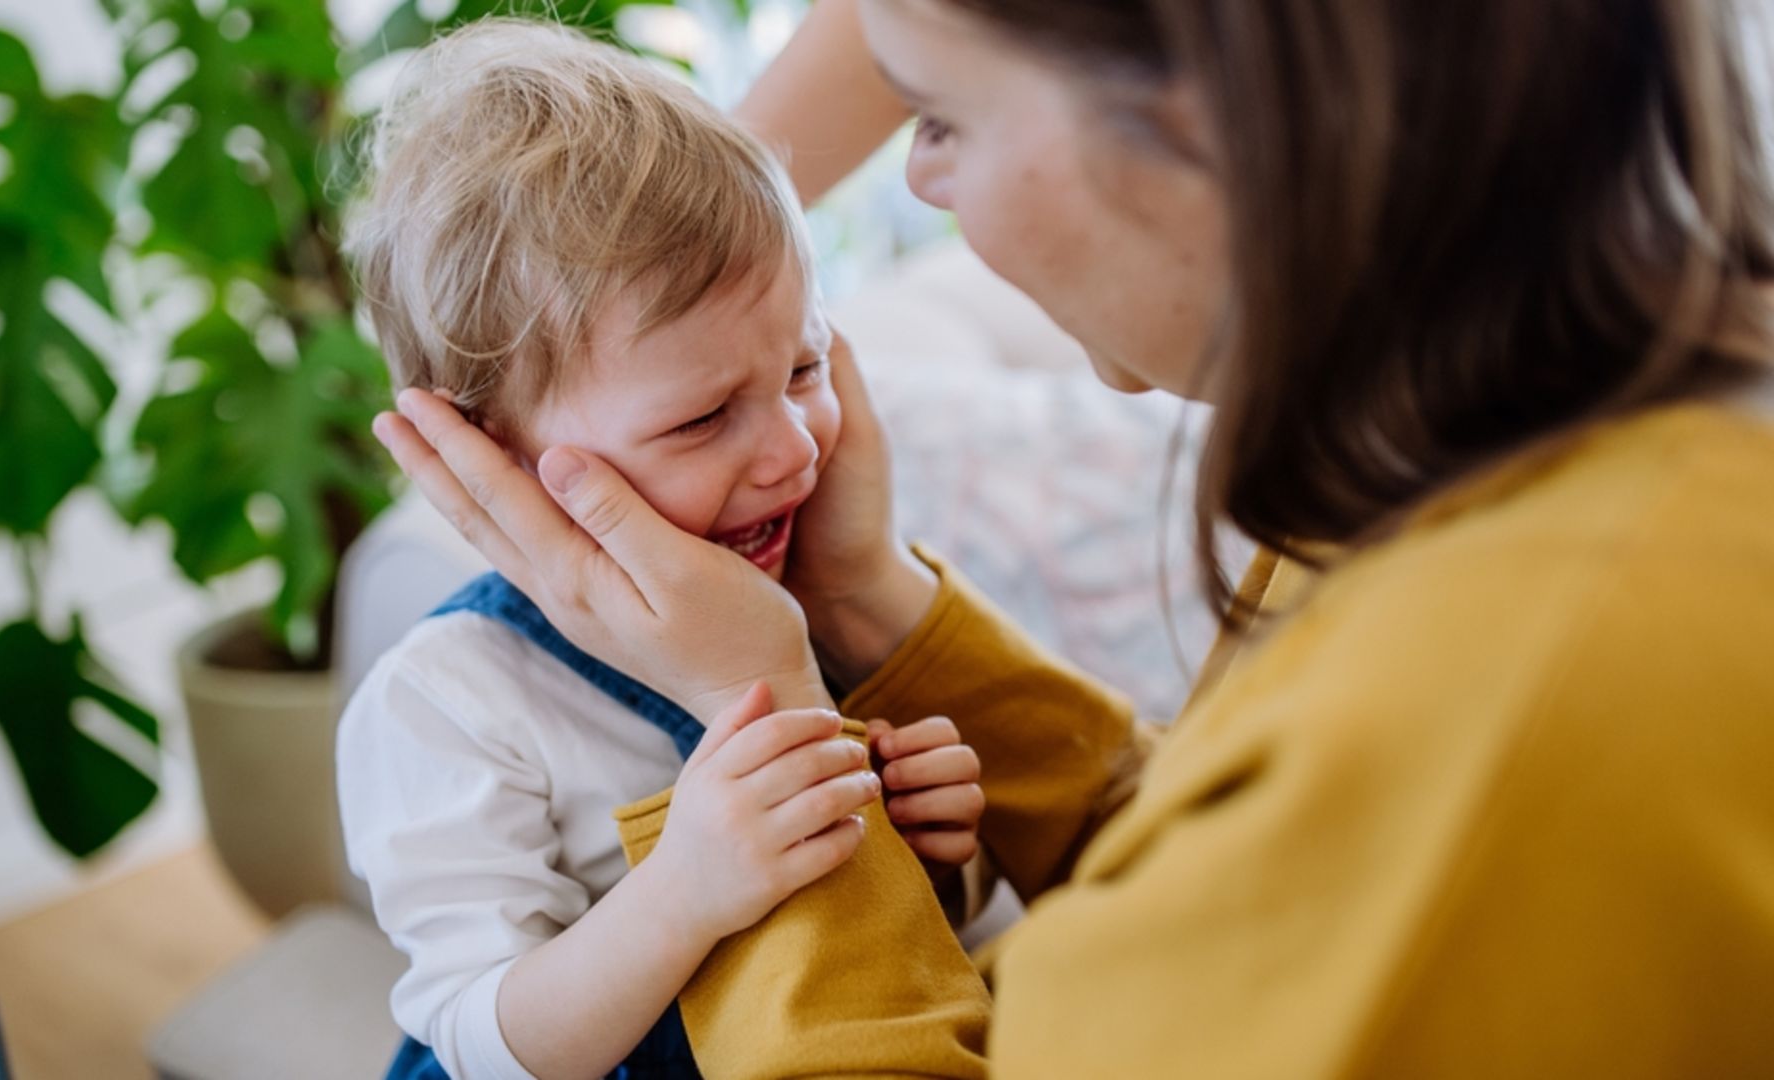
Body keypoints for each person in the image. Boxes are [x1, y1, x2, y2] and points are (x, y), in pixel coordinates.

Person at [374, 0, 1774, 1075]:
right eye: (698, 415)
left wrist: (775, 720)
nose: (920, 180)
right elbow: (1201, 886)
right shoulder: (1478, 481)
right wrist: (873, 618)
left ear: (1219, 110)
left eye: (939, 112)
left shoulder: (1501, 696)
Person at [335, 20, 991, 1080]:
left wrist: (930, 858)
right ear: (487, 453)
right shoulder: (449, 699)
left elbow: (900, 954)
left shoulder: (793, 596)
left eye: (803, 367)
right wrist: (682, 893)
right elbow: (480, 1042)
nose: (790, 451)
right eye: (699, 420)